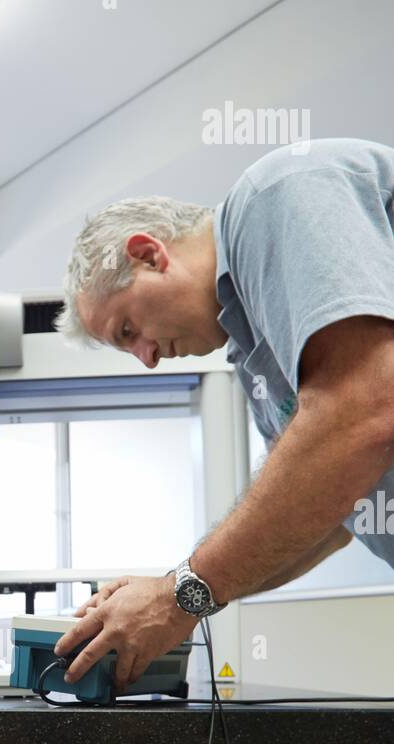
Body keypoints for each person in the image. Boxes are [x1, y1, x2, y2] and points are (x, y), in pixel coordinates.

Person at [55, 137, 394, 690]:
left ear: (148, 254)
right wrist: (174, 592)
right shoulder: (251, 347)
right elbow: (330, 520)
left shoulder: (279, 193)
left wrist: (179, 596)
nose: (147, 358)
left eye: (128, 330)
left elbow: (363, 410)